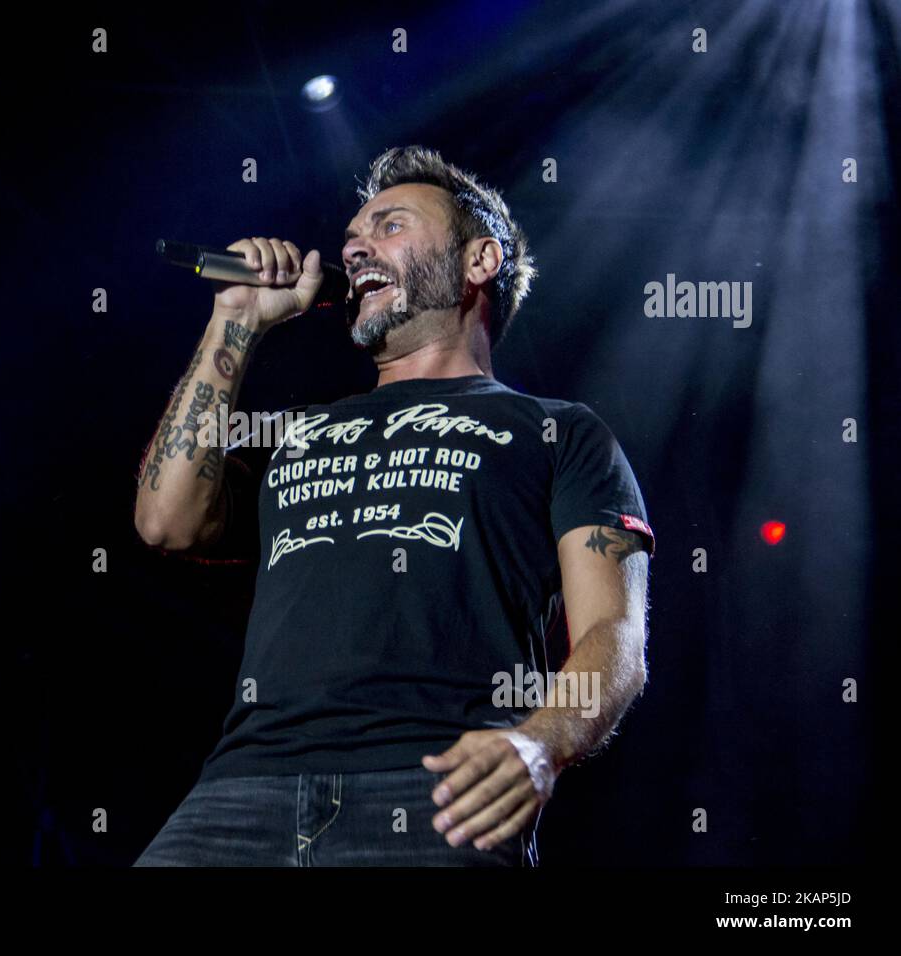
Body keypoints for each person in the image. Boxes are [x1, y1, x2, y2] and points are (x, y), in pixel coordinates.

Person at [132, 145, 655, 866]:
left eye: (390, 226)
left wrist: (541, 742)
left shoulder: (559, 433)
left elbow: (615, 634)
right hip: (243, 788)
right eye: (353, 236)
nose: (355, 246)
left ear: (479, 262)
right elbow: (167, 519)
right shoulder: (300, 430)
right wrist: (237, 319)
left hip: (436, 791)